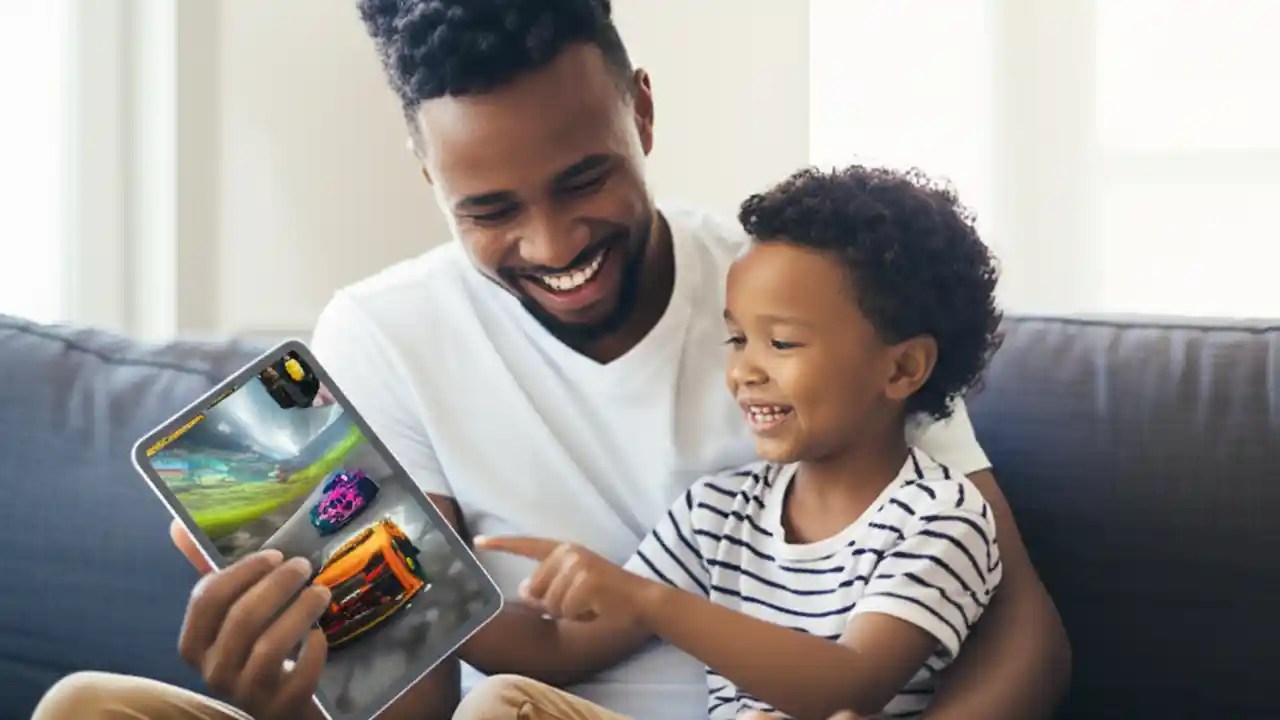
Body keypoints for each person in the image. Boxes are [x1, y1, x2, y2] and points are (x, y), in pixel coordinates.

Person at [32, 2, 1069, 719]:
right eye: (487, 208)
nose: (552, 243)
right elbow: (423, 693)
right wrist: (308, 681)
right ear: (428, 175)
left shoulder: (802, 292)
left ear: (643, 114)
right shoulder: (383, 336)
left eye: (584, 181)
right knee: (86, 705)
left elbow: (1020, 631)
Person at [446, 163, 1007, 720]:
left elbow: (850, 686)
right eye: (737, 338)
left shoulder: (942, 518)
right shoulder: (718, 511)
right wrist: (426, 599)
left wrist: (648, 602)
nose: (745, 371)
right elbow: (560, 649)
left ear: (903, 368)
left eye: (781, 343)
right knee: (502, 705)